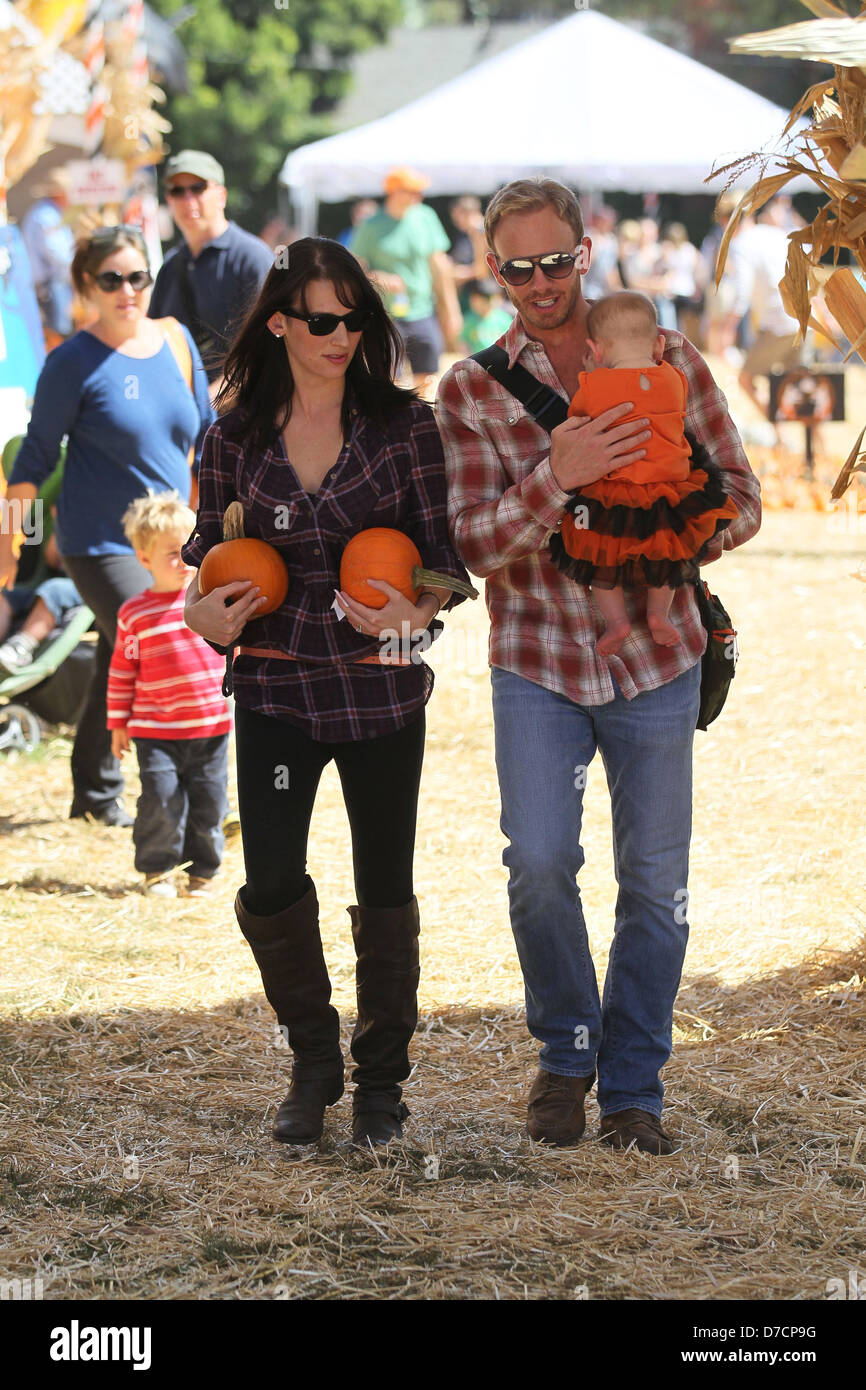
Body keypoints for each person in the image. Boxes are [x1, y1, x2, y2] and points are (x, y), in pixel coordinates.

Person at [436, 177, 761, 1156]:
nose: (539, 282)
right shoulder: (469, 388)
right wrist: (559, 477)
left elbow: (742, 498)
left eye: (555, 260)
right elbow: (471, 543)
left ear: (585, 250)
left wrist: (663, 533)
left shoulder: (667, 357)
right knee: (538, 866)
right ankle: (566, 1051)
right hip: (534, 658)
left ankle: (631, 1091)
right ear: (493, 269)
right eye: (516, 266)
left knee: (655, 888)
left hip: (657, 656)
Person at [181, 237, 471, 1149]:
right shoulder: (230, 438)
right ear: (279, 322)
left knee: (385, 885)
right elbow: (203, 563)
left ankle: (381, 1084)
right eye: (322, 319)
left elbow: (447, 568)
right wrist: (201, 618)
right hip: (273, 688)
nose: (342, 334)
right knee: (269, 883)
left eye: (355, 317)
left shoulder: (406, 429)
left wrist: (409, 613)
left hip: (379, 690)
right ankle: (313, 1060)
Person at [0, 224, 214, 826]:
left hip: (174, 540)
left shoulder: (175, 341)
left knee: (120, 653)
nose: (127, 291)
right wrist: (8, 544)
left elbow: (208, 434)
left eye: (138, 277)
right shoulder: (72, 361)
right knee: (152, 642)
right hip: (101, 543)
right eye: (111, 280)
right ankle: (181, 801)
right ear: (86, 285)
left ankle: (93, 792)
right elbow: (33, 459)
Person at [550, 291, 738, 655]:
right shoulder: (673, 379)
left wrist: (592, 373)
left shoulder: (593, 385)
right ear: (659, 344)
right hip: (668, 492)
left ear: (595, 349)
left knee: (600, 561)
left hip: (615, 493)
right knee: (666, 559)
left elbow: (578, 421)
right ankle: (659, 617)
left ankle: (617, 623)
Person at [107, 491, 231, 898]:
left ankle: (203, 873)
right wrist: (117, 724)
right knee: (160, 802)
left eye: (187, 551)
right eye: (170, 555)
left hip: (211, 728)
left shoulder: (209, 598)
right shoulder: (135, 614)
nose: (183, 562)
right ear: (143, 559)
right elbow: (121, 672)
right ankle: (157, 870)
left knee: (209, 804)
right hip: (156, 731)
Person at [148, 151, 274, 394]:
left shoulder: (252, 258)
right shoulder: (171, 266)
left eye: (198, 187)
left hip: (240, 418)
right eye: (177, 190)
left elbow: (264, 353)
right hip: (186, 417)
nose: (188, 199)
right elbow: (153, 343)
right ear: (168, 199)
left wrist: (206, 408)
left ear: (221, 195)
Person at [349, 167, 462, 392]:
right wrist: (376, 277)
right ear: (393, 192)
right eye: (412, 190)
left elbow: (440, 267)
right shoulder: (370, 226)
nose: (418, 196)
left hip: (423, 311)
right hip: (386, 315)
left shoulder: (425, 217)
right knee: (390, 383)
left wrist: (451, 309)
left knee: (428, 382)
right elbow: (354, 271)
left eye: (419, 191)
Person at [20, 169, 75, 348]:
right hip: (52, 283)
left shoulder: (48, 213)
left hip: (53, 282)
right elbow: (57, 254)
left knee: (60, 330)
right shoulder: (46, 216)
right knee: (59, 332)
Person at [458, 278, 514, 354]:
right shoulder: (470, 320)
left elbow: (511, 340)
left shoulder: (503, 319)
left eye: (486, 299)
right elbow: (463, 341)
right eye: (476, 298)